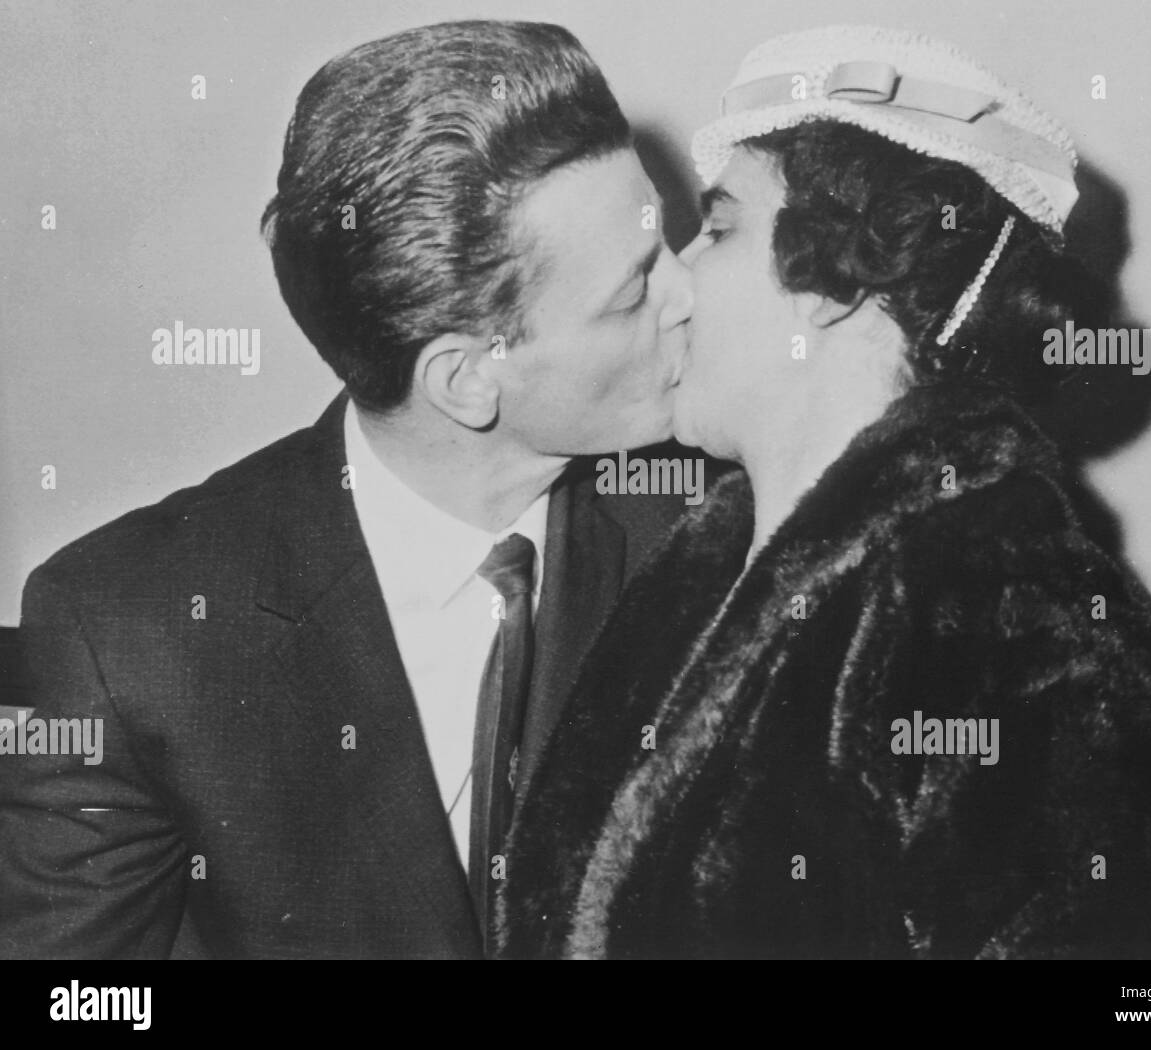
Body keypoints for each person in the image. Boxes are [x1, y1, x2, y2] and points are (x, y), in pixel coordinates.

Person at [499, 25, 1151, 959]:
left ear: (830, 276)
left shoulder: (1025, 632)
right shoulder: (692, 583)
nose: (675, 283)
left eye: (721, 226)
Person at [0, 20, 696, 959]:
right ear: (467, 380)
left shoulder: (732, 527)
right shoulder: (125, 631)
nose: (690, 295)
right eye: (637, 286)